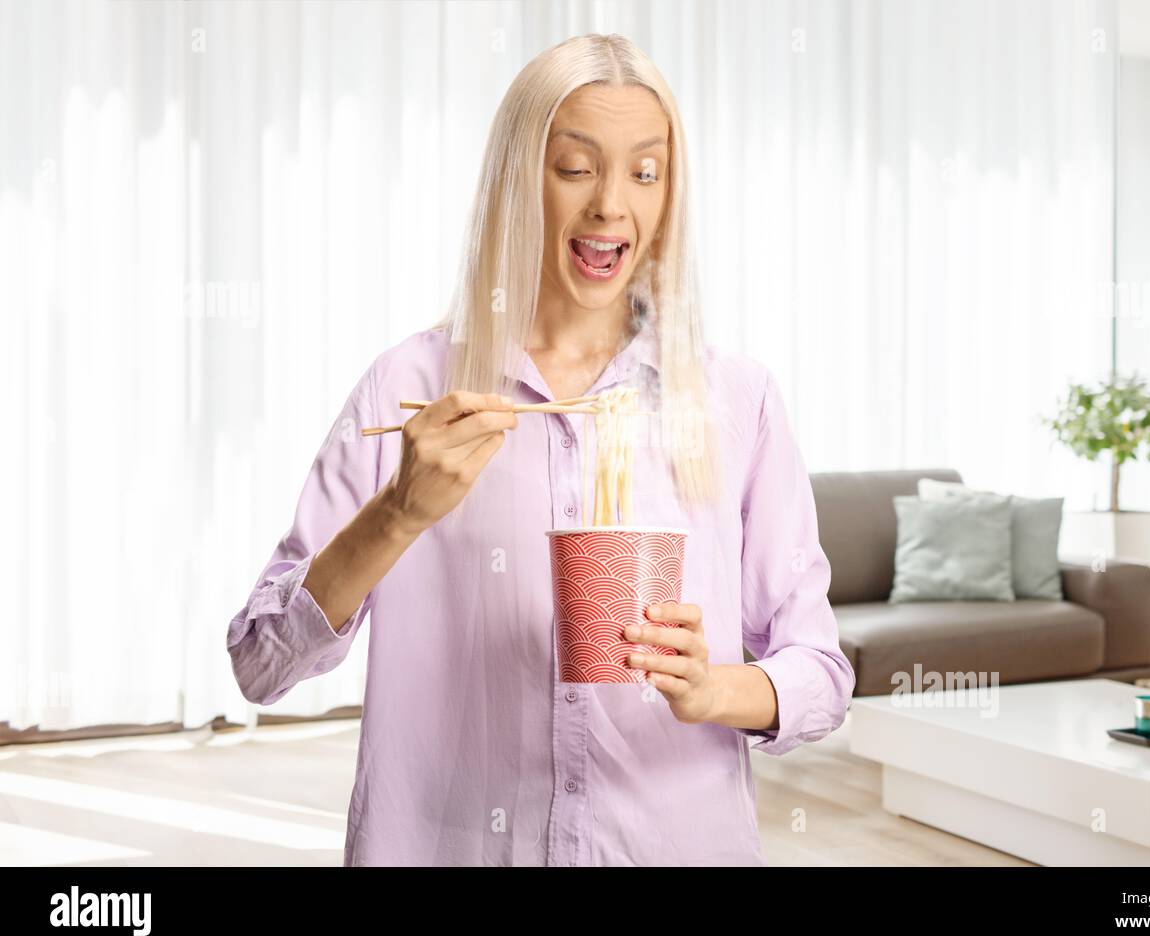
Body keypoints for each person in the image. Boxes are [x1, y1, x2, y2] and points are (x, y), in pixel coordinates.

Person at [226, 32, 853, 866]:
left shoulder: (737, 400)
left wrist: (717, 689)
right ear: (521, 180)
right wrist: (397, 515)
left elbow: (819, 670)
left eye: (645, 170)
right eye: (575, 167)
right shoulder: (407, 386)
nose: (610, 205)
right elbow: (260, 665)